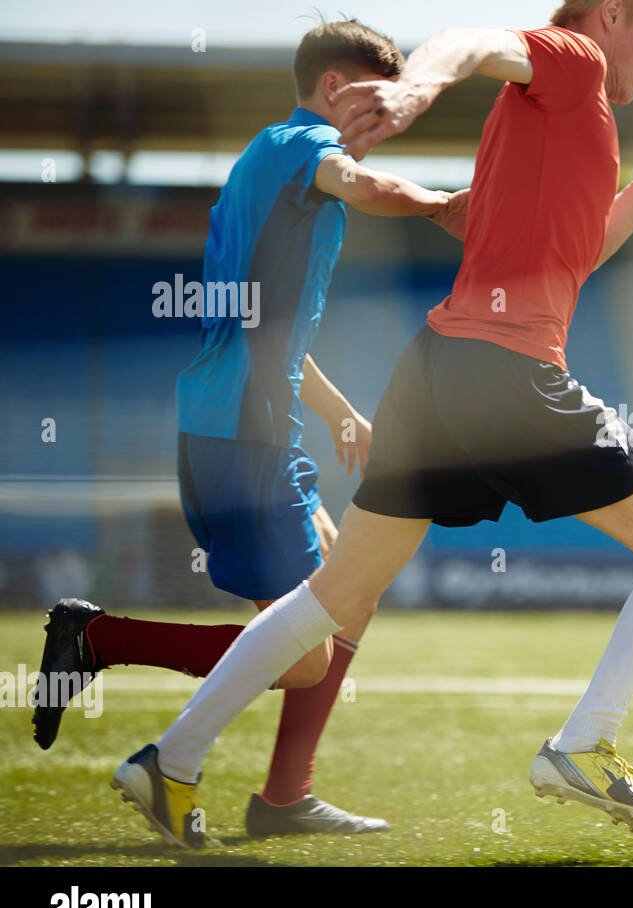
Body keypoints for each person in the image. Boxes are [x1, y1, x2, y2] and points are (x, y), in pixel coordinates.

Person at [114, 0, 633, 846]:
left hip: (434, 369)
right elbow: (473, 41)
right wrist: (413, 91)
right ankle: (585, 743)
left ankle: (170, 759)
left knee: (334, 594)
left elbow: (580, 253)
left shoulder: (563, 122)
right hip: (506, 374)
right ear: (612, 16)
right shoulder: (575, 62)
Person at [37, 17, 468, 847]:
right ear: (337, 90)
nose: (390, 124)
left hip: (256, 431)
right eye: (382, 106)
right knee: (308, 651)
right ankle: (102, 644)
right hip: (241, 439)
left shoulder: (282, 185)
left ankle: (284, 798)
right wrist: (449, 206)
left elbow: (273, 336)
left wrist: (340, 412)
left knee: (351, 594)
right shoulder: (298, 143)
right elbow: (369, 187)